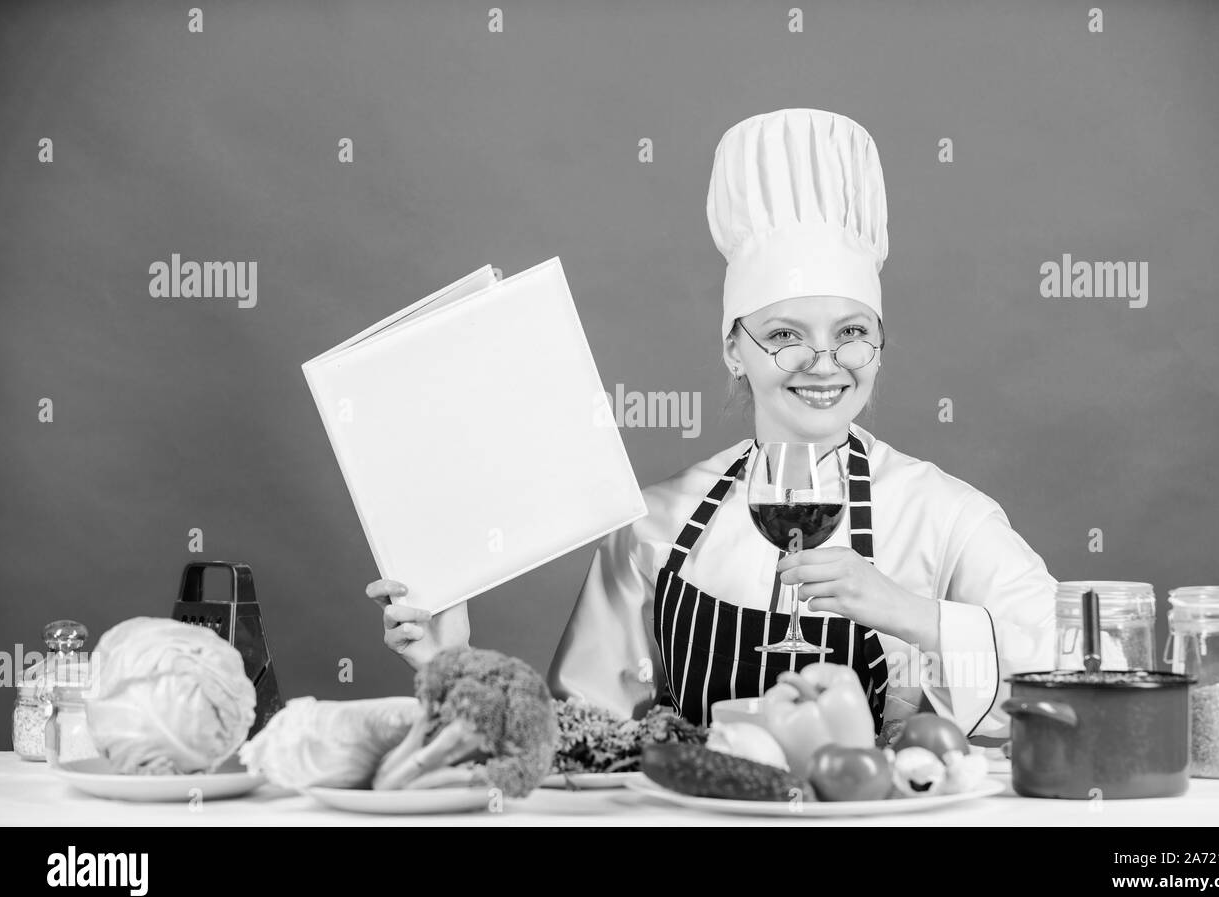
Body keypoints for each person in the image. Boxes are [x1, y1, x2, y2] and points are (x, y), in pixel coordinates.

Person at [369, 108, 1056, 741]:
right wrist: (449, 660)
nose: (824, 363)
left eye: (851, 332)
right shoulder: (655, 528)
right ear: (734, 348)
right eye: (785, 333)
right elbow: (580, 736)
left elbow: (1077, 671)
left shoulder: (946, 515)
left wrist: (913, 614)